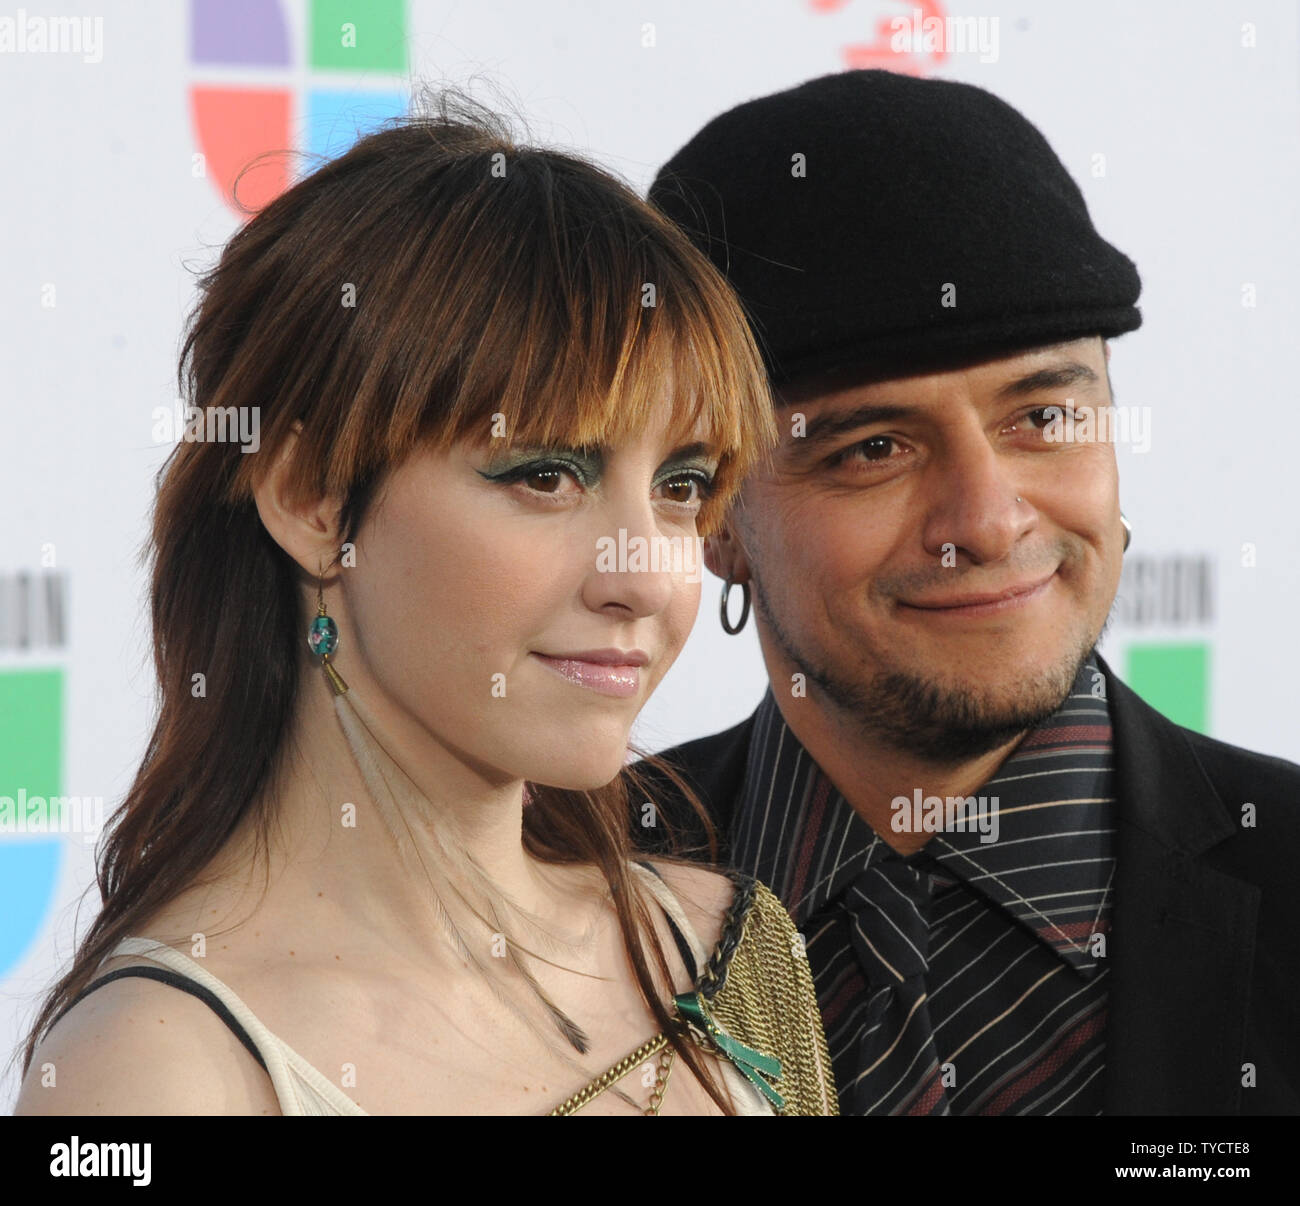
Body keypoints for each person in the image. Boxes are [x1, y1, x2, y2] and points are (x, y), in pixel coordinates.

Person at [10, 91, 836, 1117]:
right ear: (312, 499)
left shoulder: (726, 951)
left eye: (679, 485)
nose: (646, 576)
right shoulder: (155, 1074)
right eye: (544, 475)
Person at [637, 69, 1300, 1115]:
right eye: (873, 448)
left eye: (1042, 418)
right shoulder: (535, 896)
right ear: (707, 512)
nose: (987, 522)